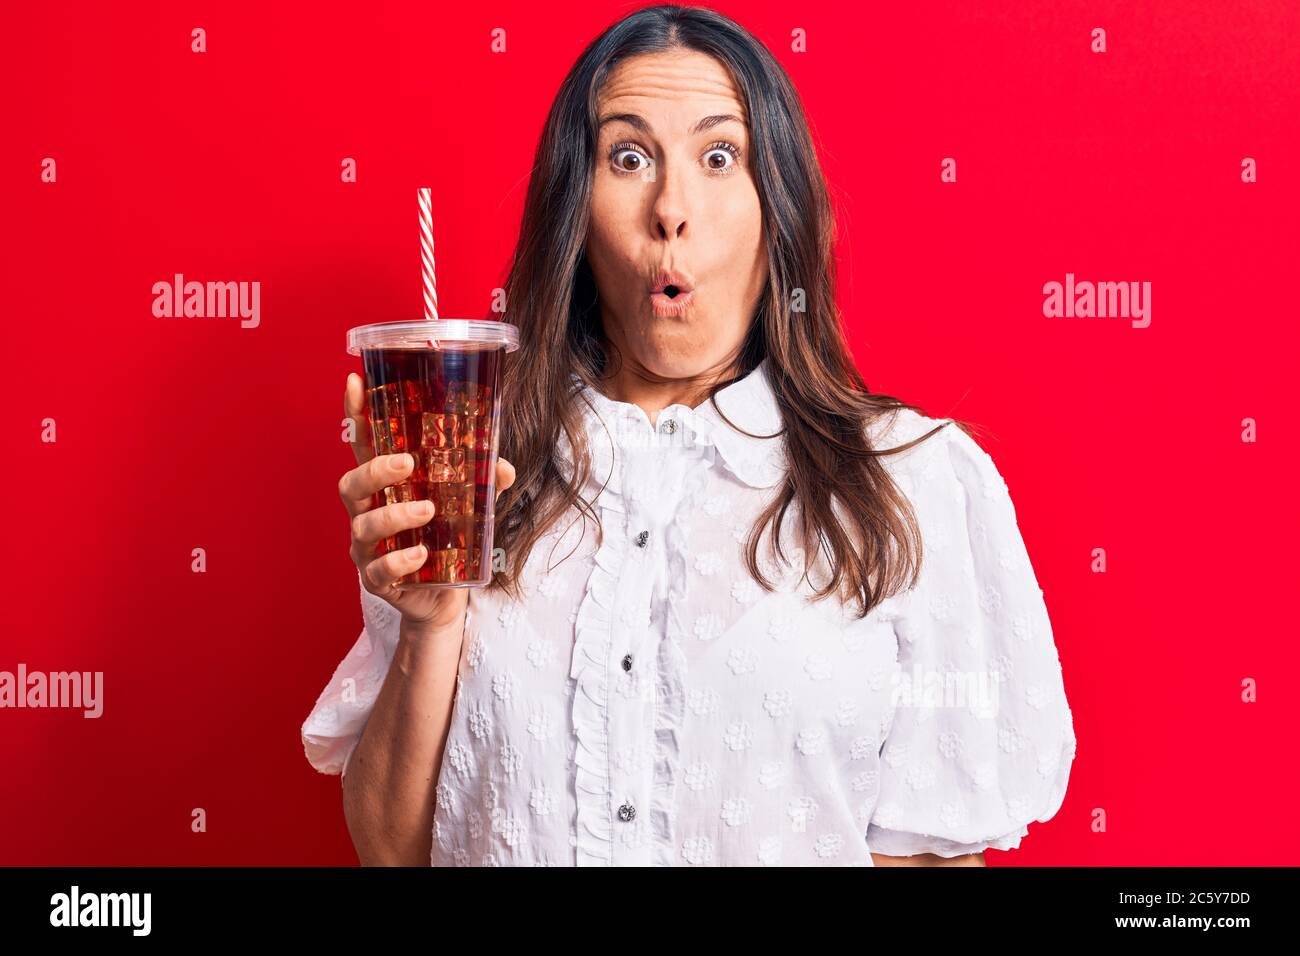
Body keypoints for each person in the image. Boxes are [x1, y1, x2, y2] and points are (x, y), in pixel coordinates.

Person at [303, 4, 1076, 867]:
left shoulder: (914, 483)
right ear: (576, 216)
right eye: (627, 157)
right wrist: (430, 624)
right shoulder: (464, 469)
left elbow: (937, 857)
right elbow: (393, 850)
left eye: (719, 157)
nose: (671, 207)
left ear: (774, 209)